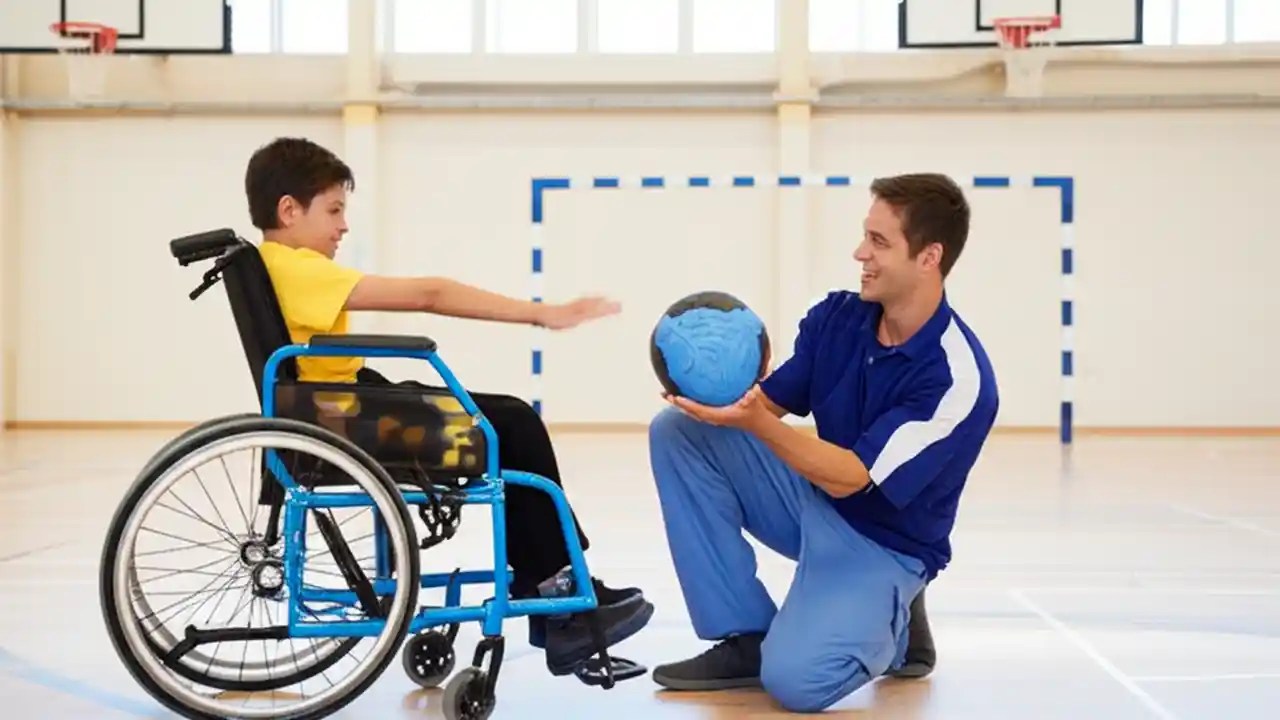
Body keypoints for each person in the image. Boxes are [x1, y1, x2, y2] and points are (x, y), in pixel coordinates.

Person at [243, 136, 653, 676]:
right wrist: (542, 313)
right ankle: (559, 594)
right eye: (334, 210)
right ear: (289, 210)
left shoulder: (274, 264)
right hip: (342, 420)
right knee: (511, 425)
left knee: (504, 417)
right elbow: (429, 294)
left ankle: (554, 588)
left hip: (336, 404)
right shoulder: (296, 266)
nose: (343, 226)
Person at [646, 173, 998, 712]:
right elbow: (770, 404)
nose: (861, 253)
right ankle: (744, 635)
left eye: (879, 243)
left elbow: (853, 475)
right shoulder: (839, 317)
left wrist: (755, 422)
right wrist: (721, 392)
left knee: (795, 684)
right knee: (679, 432)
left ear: (930, 257)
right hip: (813, 500)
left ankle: (893, 619)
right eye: (865, 236)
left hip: (883, 544)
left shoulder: (957, 379)